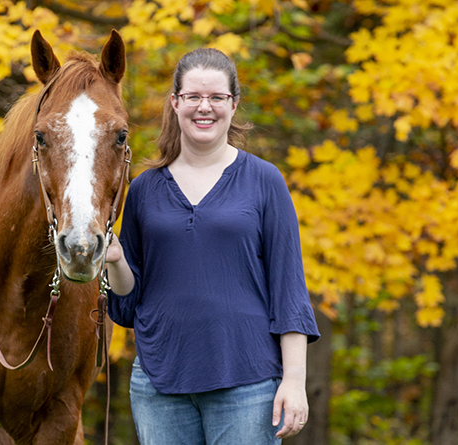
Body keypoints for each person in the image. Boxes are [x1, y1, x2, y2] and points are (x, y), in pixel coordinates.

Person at [104, 48, 320, 444]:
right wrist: (115, 260)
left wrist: (294, 380)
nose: (205, 107)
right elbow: (126, 301)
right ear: (176, 102)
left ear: (233, 105)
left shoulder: (264, 181)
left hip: (248, 384)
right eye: (193, 97)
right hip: (159, 384)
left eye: (217, 98)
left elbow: (289, 290)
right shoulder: (144, 190)